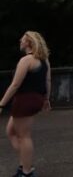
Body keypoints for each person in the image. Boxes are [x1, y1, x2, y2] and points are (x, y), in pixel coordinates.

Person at [0, 31, 52, 177]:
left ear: (29, 43)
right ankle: (26, 163)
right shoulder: (44, 60)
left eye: (22, 39)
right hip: (36, 100)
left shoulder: (26, 60)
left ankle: (26, 172)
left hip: (24, 101)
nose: (20, 41)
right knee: (10, 132)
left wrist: (1, 104)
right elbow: (48, 81)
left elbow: (15, 85)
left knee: (24, 136)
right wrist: (46, 99)